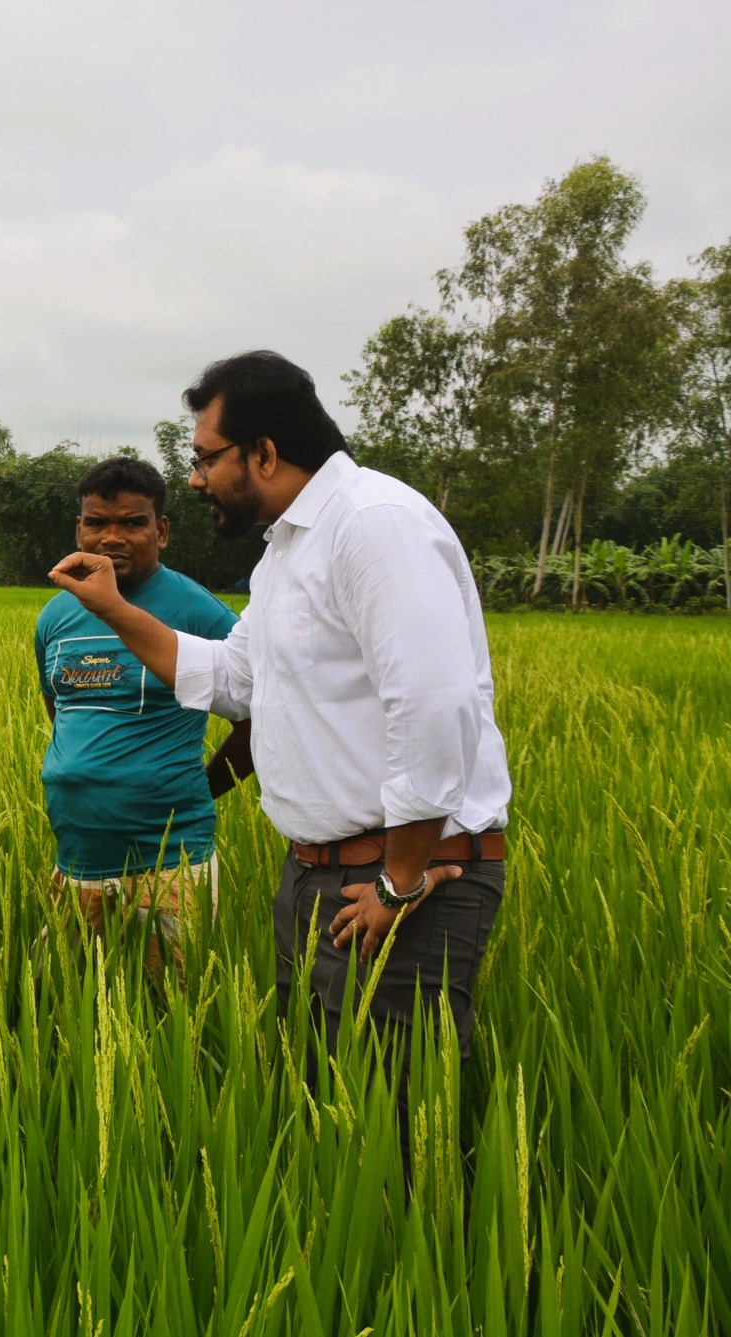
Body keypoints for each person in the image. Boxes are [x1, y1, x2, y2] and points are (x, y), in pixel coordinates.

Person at [48, 350, 511, 1085]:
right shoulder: (287, 554)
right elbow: (234, 679)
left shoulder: (374, 524)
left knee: (394, 1122)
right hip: (318, 875)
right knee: (323, 1103)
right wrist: (113, 610)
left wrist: (400, 878)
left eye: (205, 458)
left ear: (263, 451)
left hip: (396, 876)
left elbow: (432, 701)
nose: (195, 478)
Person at [37, 457, 252, 983]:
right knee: (60, 1008)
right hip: (77, 858)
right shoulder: (55, 616)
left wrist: (197, 790)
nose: (112, 538)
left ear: (161, 531)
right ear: (78, 530)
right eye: (96, 522)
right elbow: (61, 712)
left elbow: (263, 716)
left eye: (132, 523)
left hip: (170, 862)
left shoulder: (199, 613)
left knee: (170, 1019)